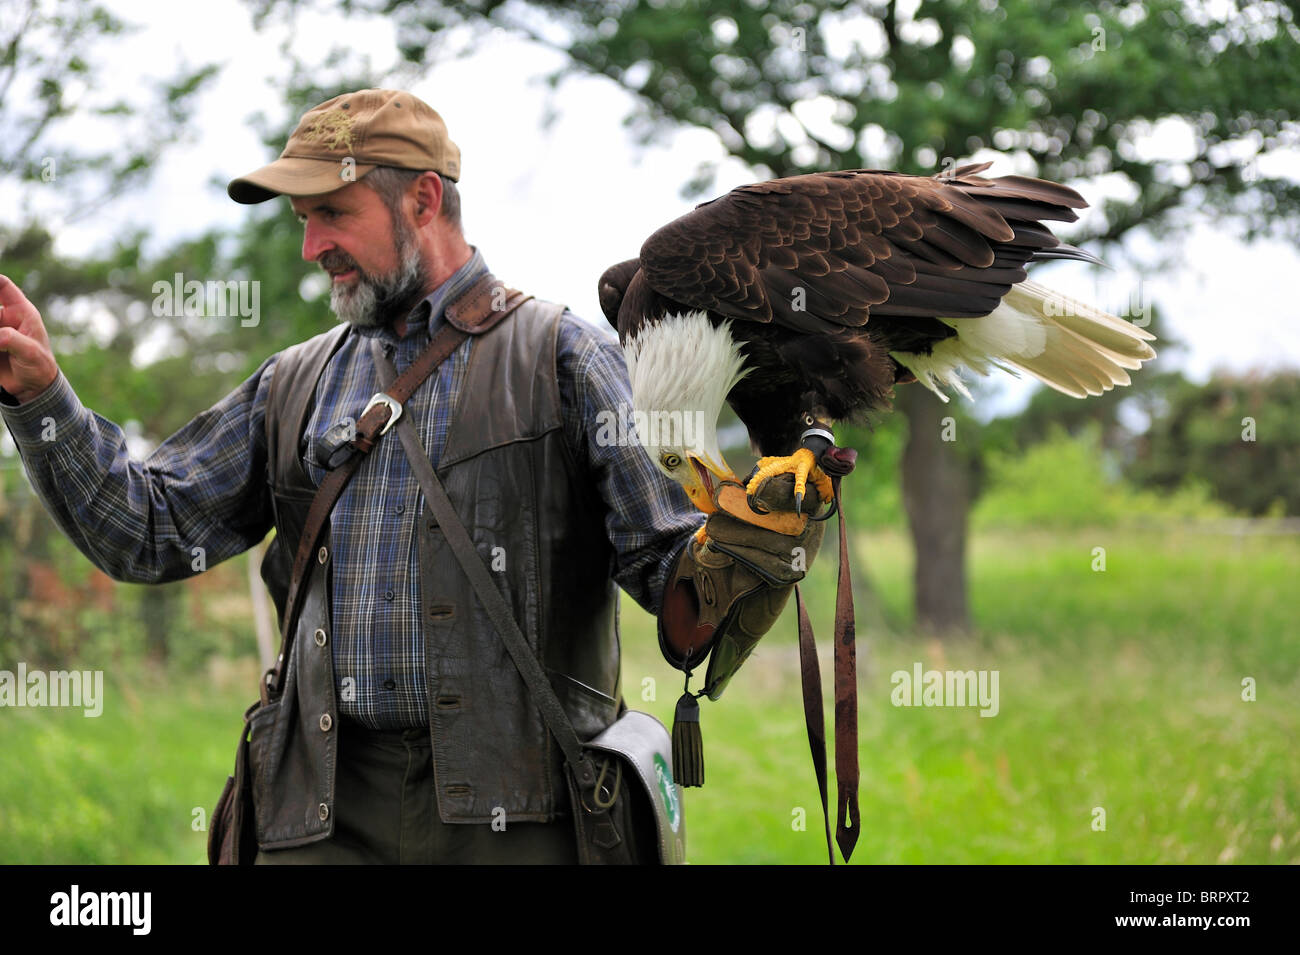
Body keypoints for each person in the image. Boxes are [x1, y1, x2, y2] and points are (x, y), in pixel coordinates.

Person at [0, 89, 823, 864]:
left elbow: (677, 595)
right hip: (319, 814)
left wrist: (746, 541)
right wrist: (41, 398)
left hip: (519, 814)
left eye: (332, 214)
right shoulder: (294, 382)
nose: (311, 246)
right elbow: (148, 532)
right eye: (302, 219)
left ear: (424, 201)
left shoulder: (565, 358)